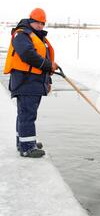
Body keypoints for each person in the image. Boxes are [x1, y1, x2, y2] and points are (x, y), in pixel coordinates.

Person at [4, 8, 58, 158]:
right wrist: (48, 65)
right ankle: (27, 147)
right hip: (25, 81)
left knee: (24, 114)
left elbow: (42, 58)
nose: (41, 26)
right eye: (38, 23)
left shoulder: (37, 36)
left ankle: (23, 141)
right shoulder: (22, 34)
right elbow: (28, 55)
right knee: (27, 114)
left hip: (34, 82)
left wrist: (48, 79)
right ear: (31, 20)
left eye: (43, 23)